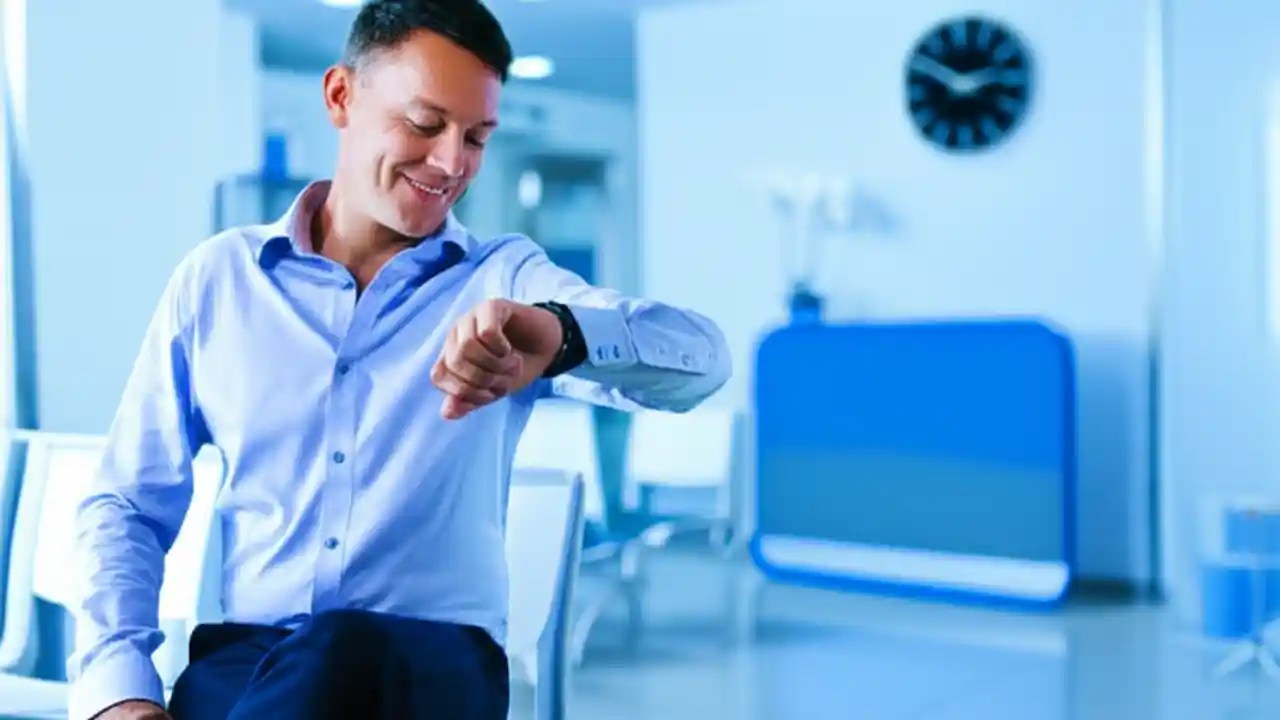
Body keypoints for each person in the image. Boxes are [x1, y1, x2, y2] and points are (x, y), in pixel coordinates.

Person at [66, 1, 731, 718]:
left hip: (433, 670)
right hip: (252, 664)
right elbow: (128, 504)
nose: (452, 163)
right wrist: (119, 693)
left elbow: (703, 361)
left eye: (476, 138)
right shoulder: (219, 281)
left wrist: (561, 334)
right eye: (424, 124)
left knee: (344, 648)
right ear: (340, 97)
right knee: (301, 669)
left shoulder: (504, 280)